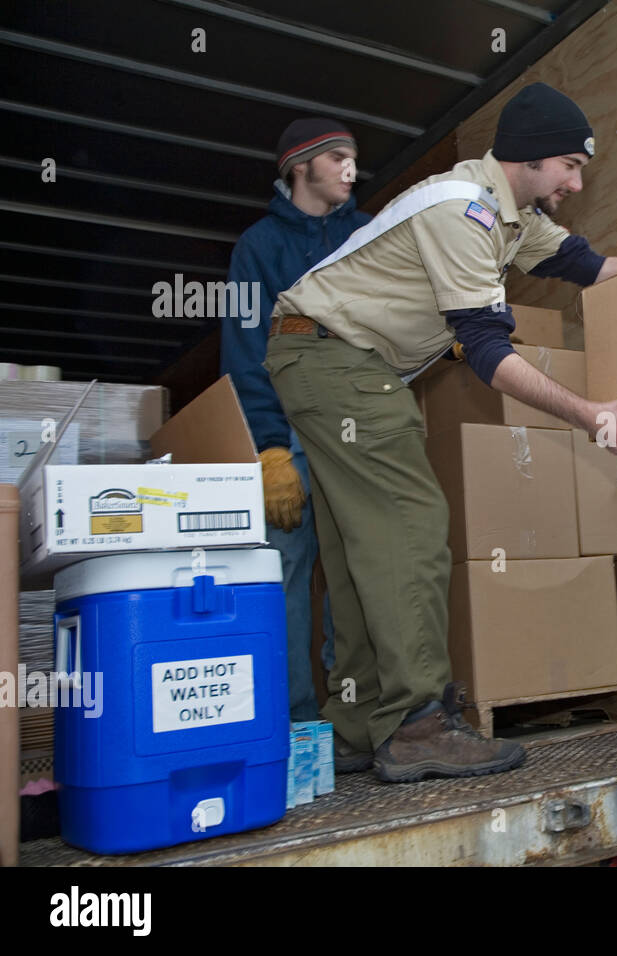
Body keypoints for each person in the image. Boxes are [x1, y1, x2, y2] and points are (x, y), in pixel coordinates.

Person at [265, 83, 617, 783]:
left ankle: (358, 722)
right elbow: (487, 353)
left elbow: (587, 268)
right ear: (531, 159)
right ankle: (416, 724)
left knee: (361, 547)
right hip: (337, 357)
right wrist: (592, 416)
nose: (578, 180)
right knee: (410, 526)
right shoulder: (460, 213)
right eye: (568, 164)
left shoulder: (510, 212)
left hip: (322, 355)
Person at [221, 118, 371, 722]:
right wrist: (269, 448)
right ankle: (295, 724)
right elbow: (244, 348)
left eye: (353, 158)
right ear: (298, 166)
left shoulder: (367, 234)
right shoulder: (257, 247)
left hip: (357, 431)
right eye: (336, 157)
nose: (349, 168)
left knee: (357, 576)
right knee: (283, 576)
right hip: (290, 436)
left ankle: (353, 722)